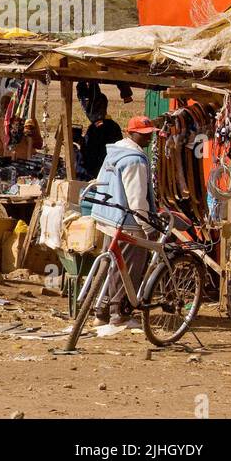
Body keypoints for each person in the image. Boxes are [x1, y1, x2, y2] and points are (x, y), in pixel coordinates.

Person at [90, 116, 159, 328]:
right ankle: (119, 314)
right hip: (126, 222)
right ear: (131, 133)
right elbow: (136, 198)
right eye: (144, 135)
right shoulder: (135, 160)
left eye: (150, 134)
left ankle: (100, 311)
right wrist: (148, 227)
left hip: (107, 216)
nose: (149, 138)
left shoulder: (114, 153)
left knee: (108, 265)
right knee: (127, 268)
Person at [80, 92, 122, 179]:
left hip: (96, 170)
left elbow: (89, 149)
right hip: (109, 170)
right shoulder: (114, 125)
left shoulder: (96, 127)